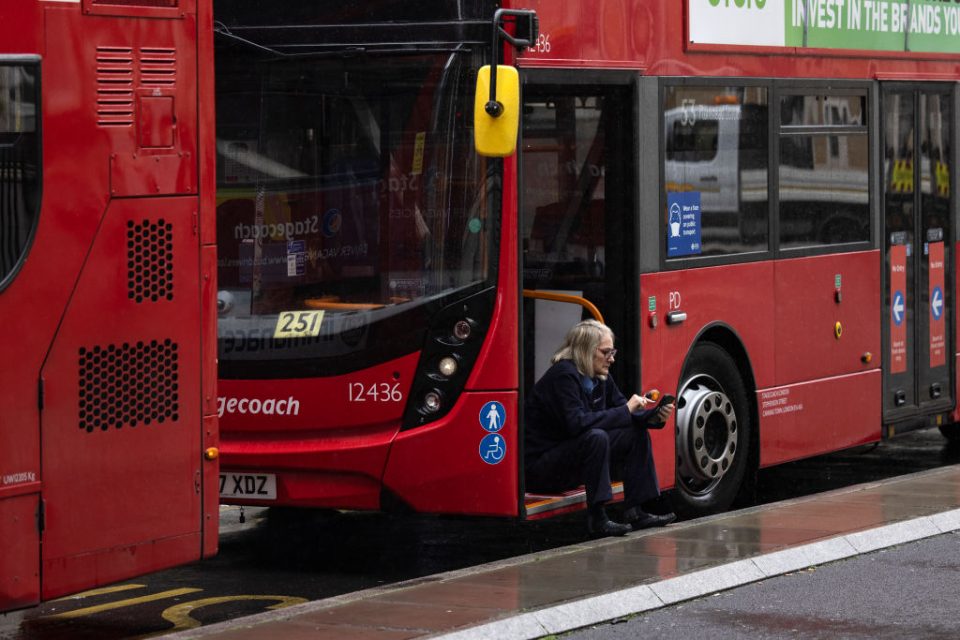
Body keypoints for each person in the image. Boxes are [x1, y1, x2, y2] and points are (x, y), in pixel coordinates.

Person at [524, 319, 677, 537]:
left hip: (569, 459)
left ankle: (636, 512)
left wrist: (653, 416)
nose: (612, 359)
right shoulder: (563, 376)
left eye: (612, 352)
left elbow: (624, 413)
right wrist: (626, 410)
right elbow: (577, 424)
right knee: (596, 437)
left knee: (635, 433)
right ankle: (598, 519)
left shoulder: (600, 376)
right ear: (586, 350)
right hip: (542, 470)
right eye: (606, 352)